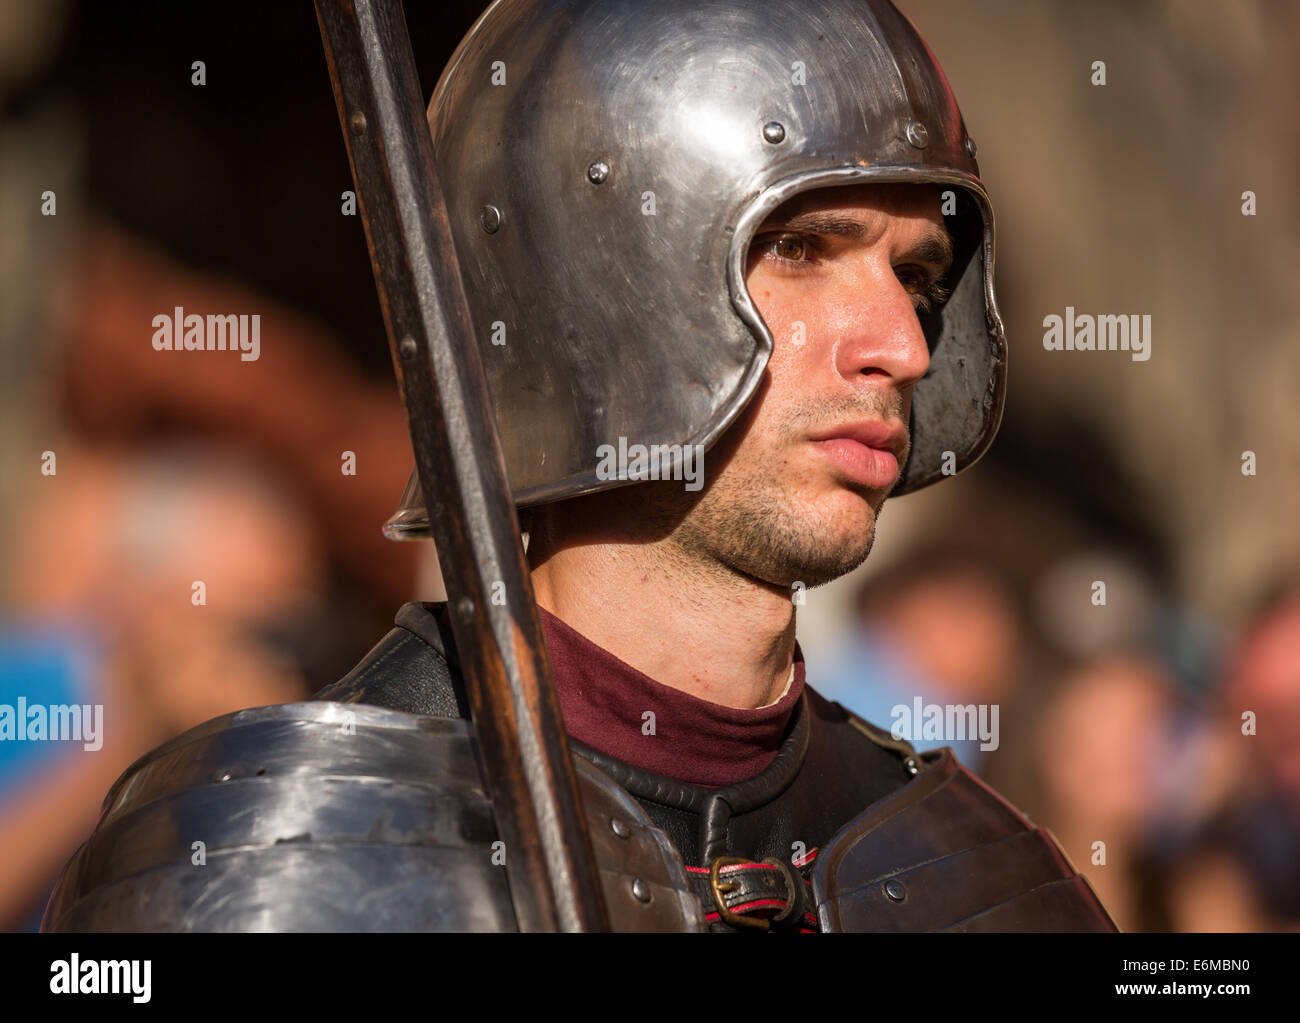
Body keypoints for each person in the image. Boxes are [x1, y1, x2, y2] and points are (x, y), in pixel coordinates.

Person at [42, 0, 1116, 933]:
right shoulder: (265, 856)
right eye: (800, 249)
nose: (904, 344)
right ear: (596, 288)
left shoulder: (983, 884)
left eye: (916, 277)